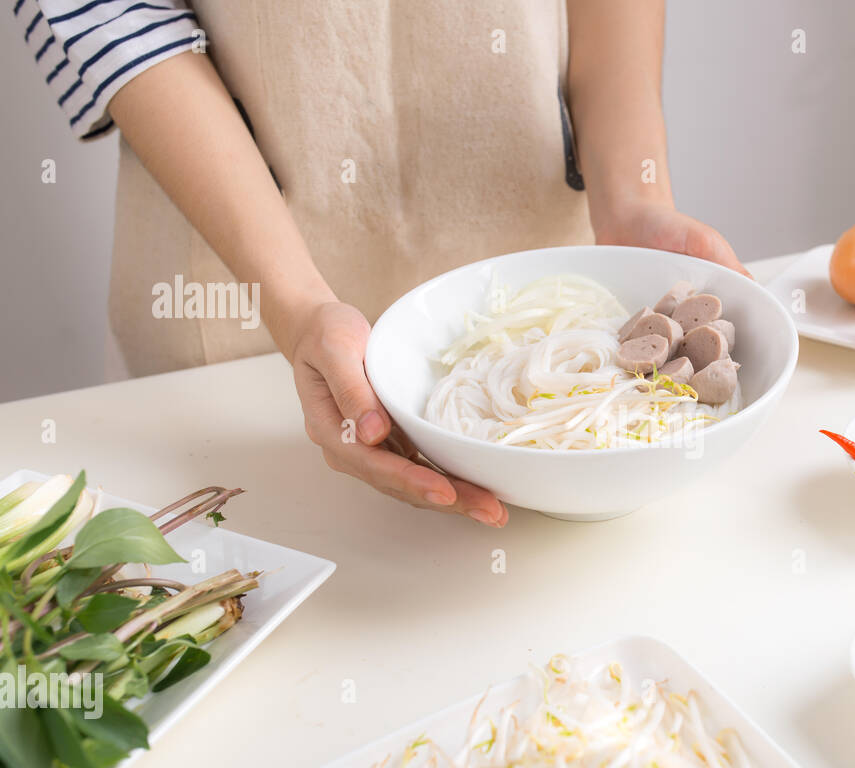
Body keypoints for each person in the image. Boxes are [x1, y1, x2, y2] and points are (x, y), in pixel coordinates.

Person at [15, 0, 746, 527]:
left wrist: (633, 204)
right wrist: (296, 304)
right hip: (240, 311)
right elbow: (110, 17)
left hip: (560, 312)